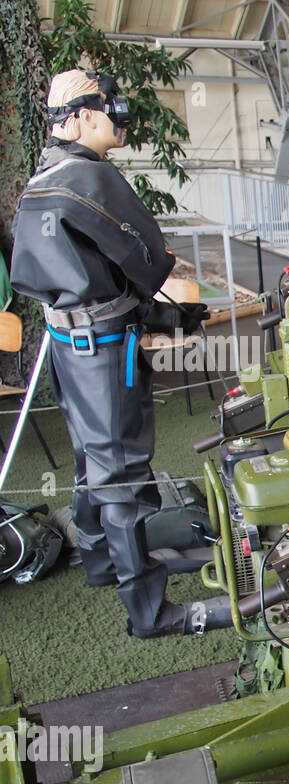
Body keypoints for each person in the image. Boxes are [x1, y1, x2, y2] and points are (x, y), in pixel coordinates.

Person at [9, 69, 232, 638]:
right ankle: (151, 614)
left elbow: (93, 285)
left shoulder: (44, 176)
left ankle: (104, 564)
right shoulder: (91, 179)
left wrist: (168, 317)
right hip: (103, 353)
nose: (120, 114)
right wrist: (168, 307)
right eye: (109, 105)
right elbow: (148, 262)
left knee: (92, 464)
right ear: (82, 116)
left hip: (68, 342)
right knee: (124, 479)